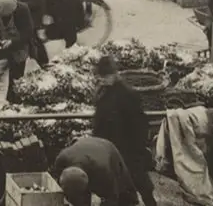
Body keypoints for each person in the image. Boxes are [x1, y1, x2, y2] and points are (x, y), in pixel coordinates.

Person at [92, 55, 156, 206]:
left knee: (140, 181)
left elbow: (139, 122)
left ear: (114, 74)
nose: (102, 79)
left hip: (128, 147)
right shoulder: (103, 93)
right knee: (116, 185)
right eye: (100, 76)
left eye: (105, 76)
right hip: (109, 147)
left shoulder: (127, 94)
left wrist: (139, 147)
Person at [53, 137, 140, 206]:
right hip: (85, 146)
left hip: (106, 148)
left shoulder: (104, 172)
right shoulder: (61, 160)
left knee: (124, 194)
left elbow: (111, 198)